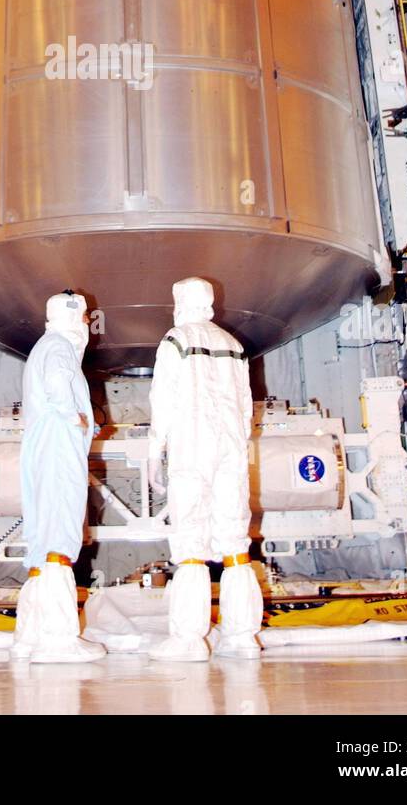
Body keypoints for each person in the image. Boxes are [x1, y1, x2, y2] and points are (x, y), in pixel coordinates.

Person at [147, 277, 263, 661]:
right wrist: (238, 444)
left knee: (190, 539)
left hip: (191, 446)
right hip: (231, 447)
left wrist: (154, 452)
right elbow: (246, 405)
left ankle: (189, 638)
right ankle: (242, 635)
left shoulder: (176, 340)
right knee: (234, 539)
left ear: (180, 303)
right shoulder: (234, 345)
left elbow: (163, 399)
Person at [10, 291, 105, 664]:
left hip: (42, 442)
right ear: (73, 317)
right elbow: (58, 384)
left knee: (42, 535)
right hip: (58, 443)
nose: (87, 325)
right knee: (60, 531)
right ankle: (59, 640)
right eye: (84, 318)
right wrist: (74, 417)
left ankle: (29, 636)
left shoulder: (44, 345)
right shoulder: (60, 346)